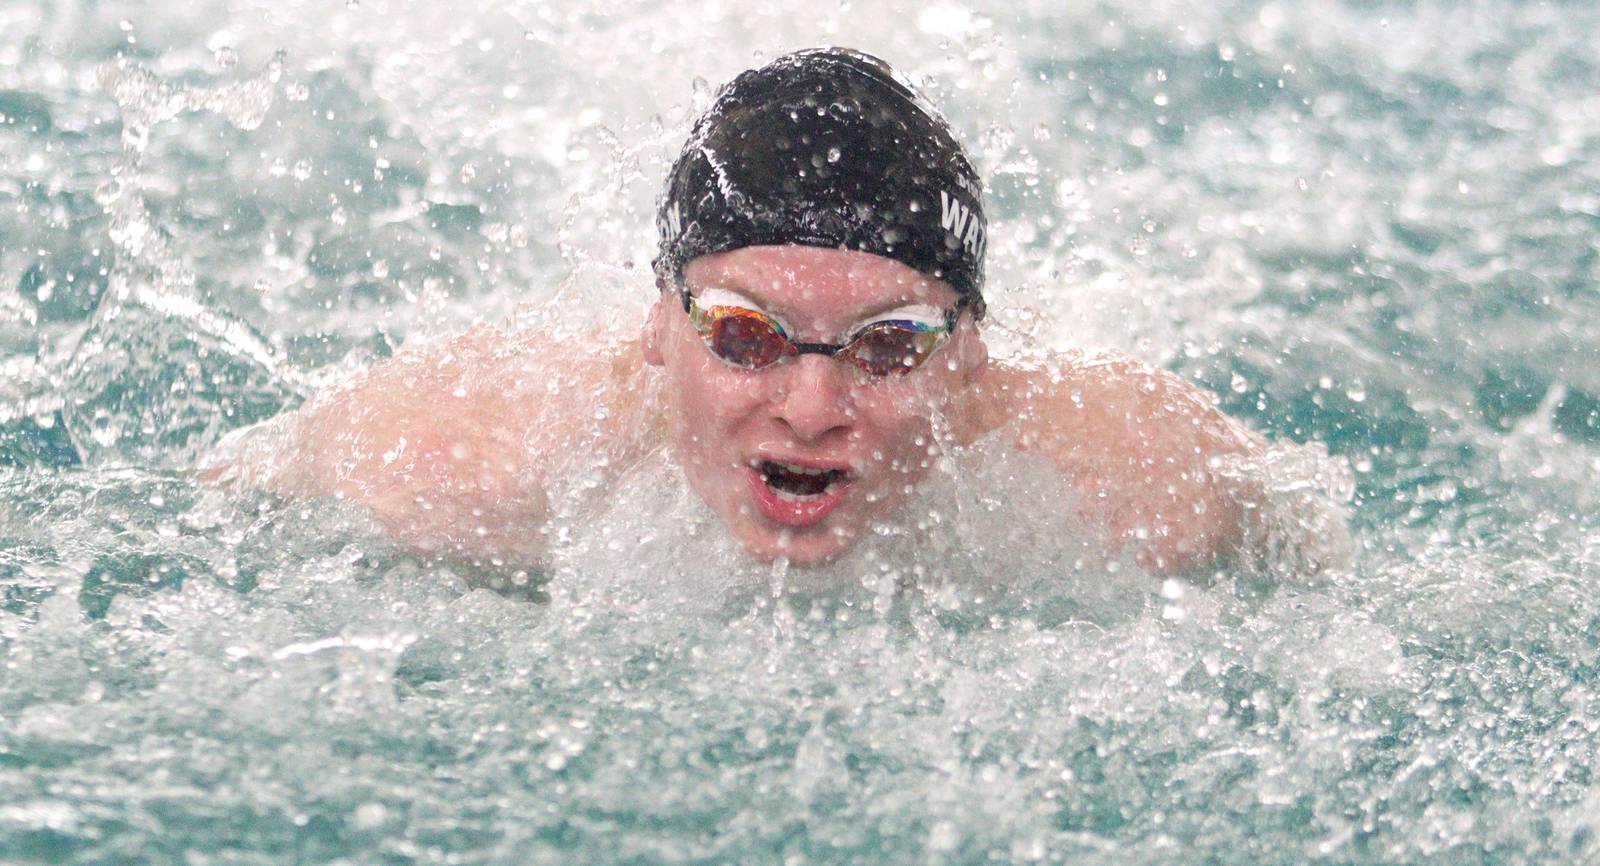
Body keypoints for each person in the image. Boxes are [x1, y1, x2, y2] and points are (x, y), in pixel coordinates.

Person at [207, 47, 1341, 578]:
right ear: (659, 328)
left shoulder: (1143, 486)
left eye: (889, 345)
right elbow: (200, 511)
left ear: (972, 356)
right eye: (745, 335)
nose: (810, 406)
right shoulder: (451, 462)